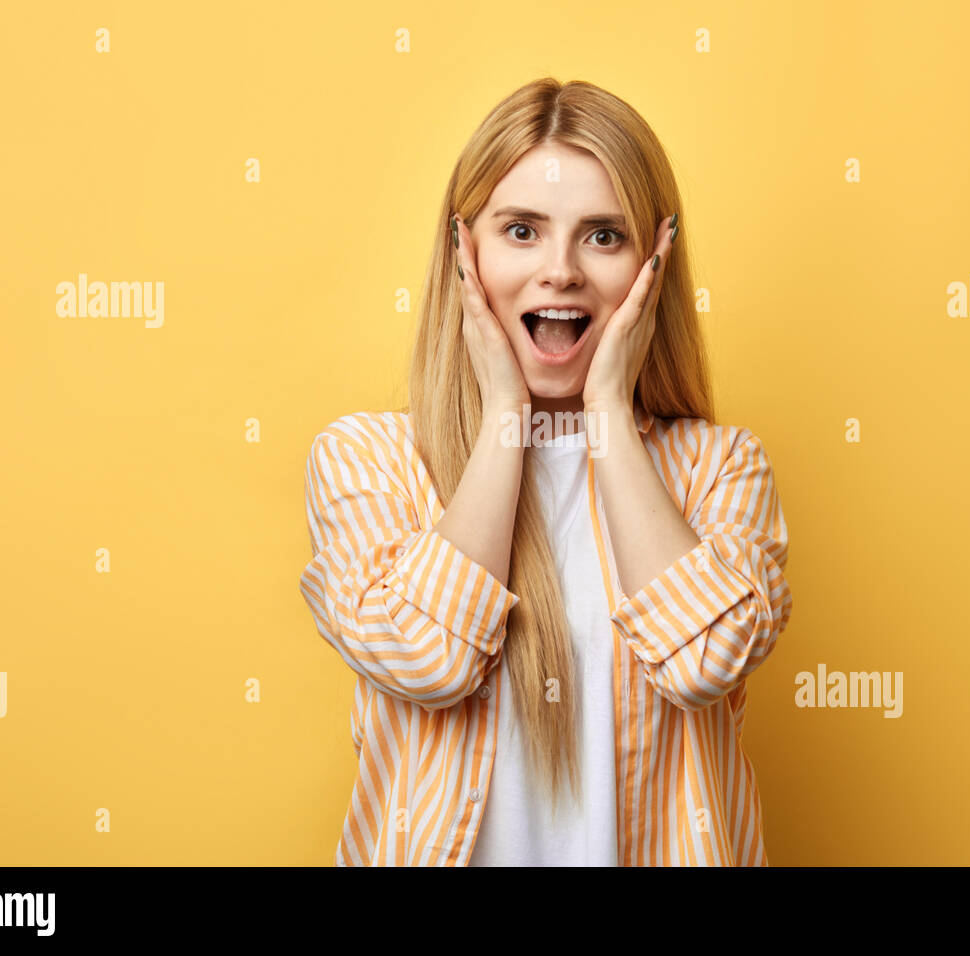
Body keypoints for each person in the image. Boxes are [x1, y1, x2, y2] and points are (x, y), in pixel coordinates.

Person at [298, 77, 793, 866]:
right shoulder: (369, 462)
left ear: (653, 266)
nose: (560, 270)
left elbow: (704, 661)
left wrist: (606, 415)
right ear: (464, 252)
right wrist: (504, 417)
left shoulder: (719, 470)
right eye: (521, 230)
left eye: (603, 236)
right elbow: (431, 661)